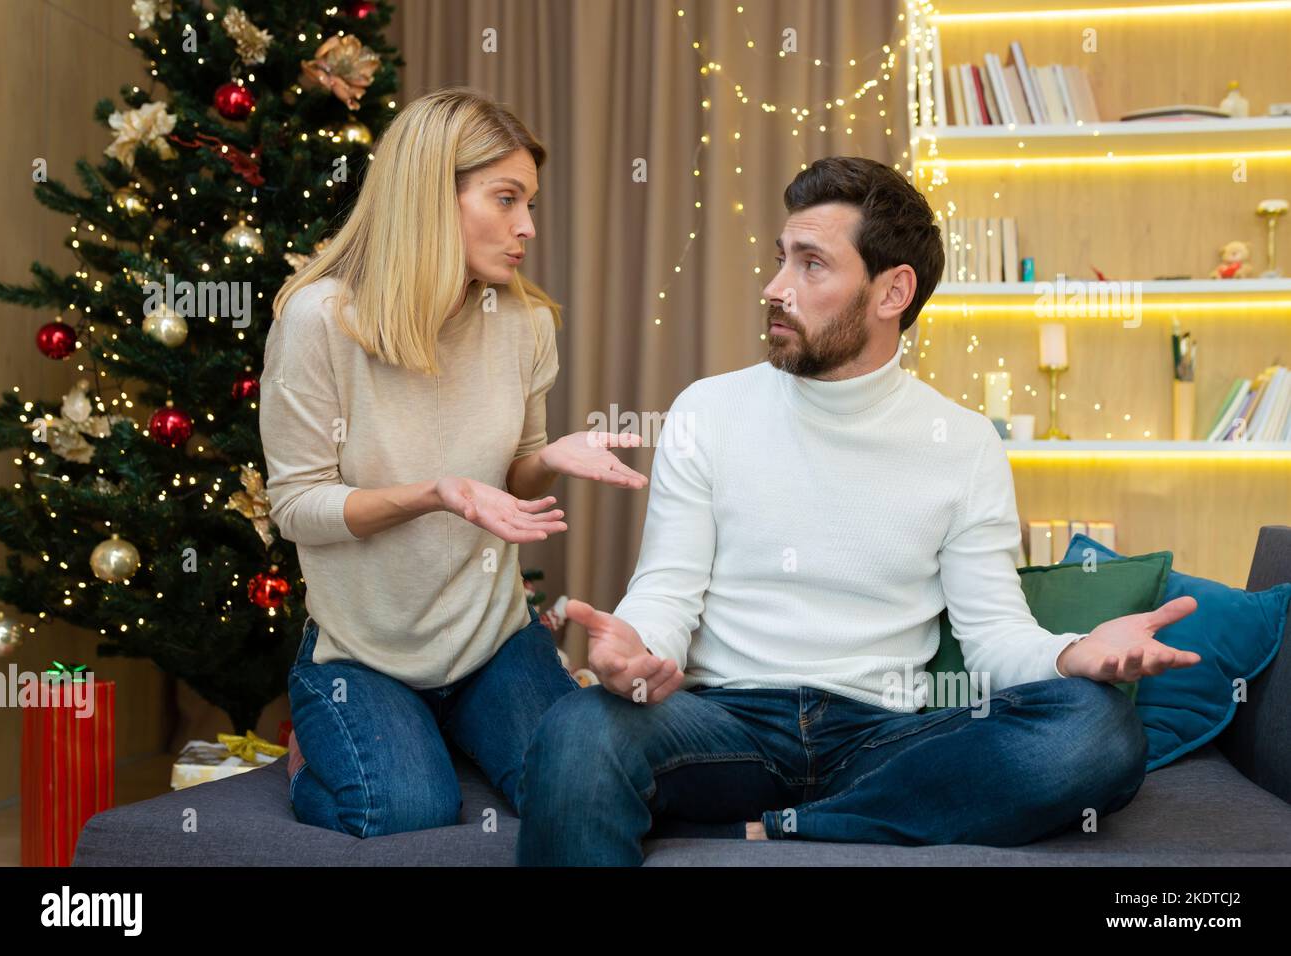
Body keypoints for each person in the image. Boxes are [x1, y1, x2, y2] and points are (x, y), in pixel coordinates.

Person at [514, 156, 1201, 866]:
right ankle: (836, 822)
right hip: (726, 724)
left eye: (811, 265)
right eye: (782, 260)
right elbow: (668, 588)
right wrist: (640, 645)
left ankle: (796, 828)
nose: (775, 288)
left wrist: (1069, 653)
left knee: (1099, 730)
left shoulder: (964, 444)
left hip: (883, 736)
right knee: (580, 728)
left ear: (892, 291)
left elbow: (993, 636)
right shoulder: (707, 410)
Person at [259, 87, 646, 838]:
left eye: (529, 202)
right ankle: (316, 753)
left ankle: (450, 730)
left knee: (594, 789)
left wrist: (550, 458)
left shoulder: (525, 323)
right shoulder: (318, 320)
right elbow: (297, 506)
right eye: (505, 199)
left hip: (492, 640)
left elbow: (515, 475)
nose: (526, 226)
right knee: (405, 807)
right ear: (432, 194)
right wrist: (432, 492)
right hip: (360, 654)